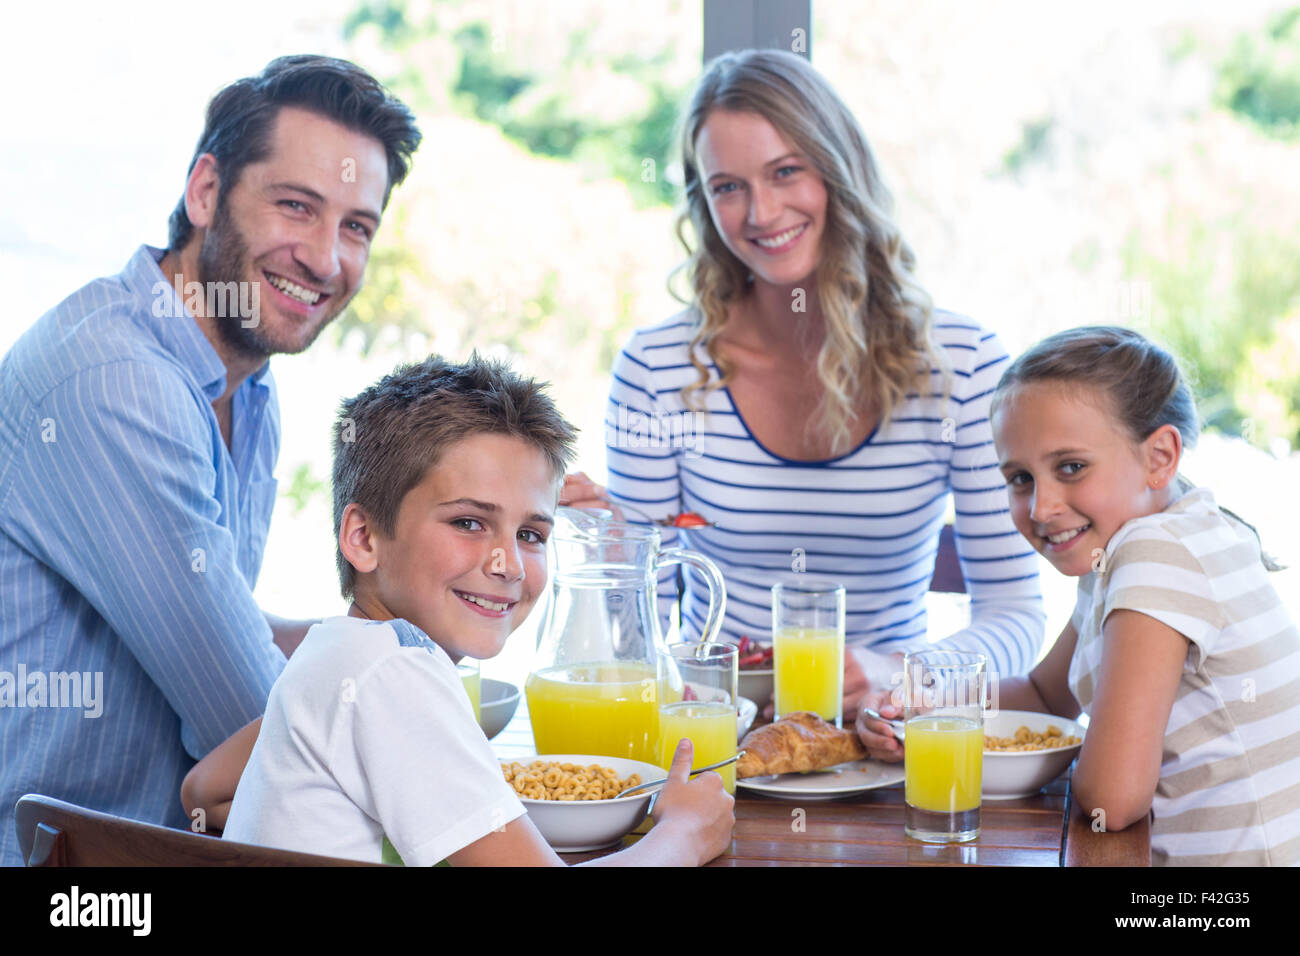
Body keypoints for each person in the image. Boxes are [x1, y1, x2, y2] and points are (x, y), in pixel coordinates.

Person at [0, 55, 421, 865]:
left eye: (357, 227)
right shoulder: (117, 384)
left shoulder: (244, 380)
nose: (327, 259)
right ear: (205, 192)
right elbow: (258, 724)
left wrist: (405, 641)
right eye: (296, 207)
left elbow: (211, 618)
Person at [563, 49, 1043, 755]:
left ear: (839, 173)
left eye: (786, 171)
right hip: (716, 747)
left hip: (890, 746)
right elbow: (642, 642)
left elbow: (1015, 613)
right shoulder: (658, 368)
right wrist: (614, 568)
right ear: (702, 203)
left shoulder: (961, 365)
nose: (761, 213)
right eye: (727, 186)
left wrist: (903, 673)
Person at [183, 355, 735, 866]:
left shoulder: (336, 649)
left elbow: (204, 789)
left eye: (530, 533)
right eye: (469, 522)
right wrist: (685, 831)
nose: (509, 563)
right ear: (363, 537)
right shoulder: (396, 674)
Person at [989, 326, 1300, 866]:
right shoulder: (1130, 541)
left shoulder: (1156, 553)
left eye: (1070, 467)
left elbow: (1112, 799)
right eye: (1020, 478)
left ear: (1160, 457)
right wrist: (920, 711)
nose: (1041, 507)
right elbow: (1044, 695)